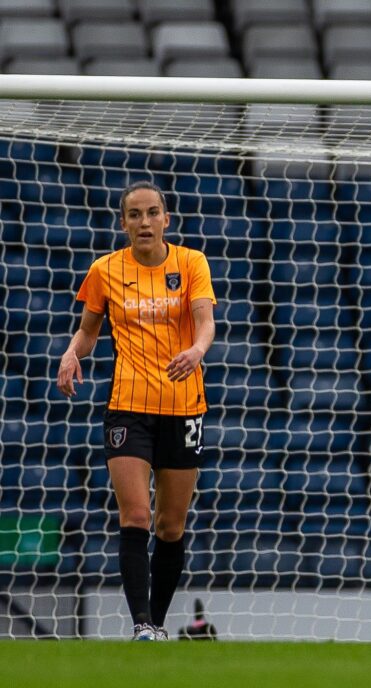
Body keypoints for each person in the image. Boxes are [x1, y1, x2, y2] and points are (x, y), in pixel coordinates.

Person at [56, 181, 216, 641]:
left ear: (166, 219)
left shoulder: (191, 263)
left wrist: (197, 350)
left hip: (183, 407)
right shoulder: (105, 270)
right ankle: (142, 625)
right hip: (128, 407)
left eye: (152, 213)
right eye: (135, 215)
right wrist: (72, 353)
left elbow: (205, 322)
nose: (144, 222)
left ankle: (158, 625)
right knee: (136, 516)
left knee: (170, 525)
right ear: (123, 223)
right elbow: (88, 331)